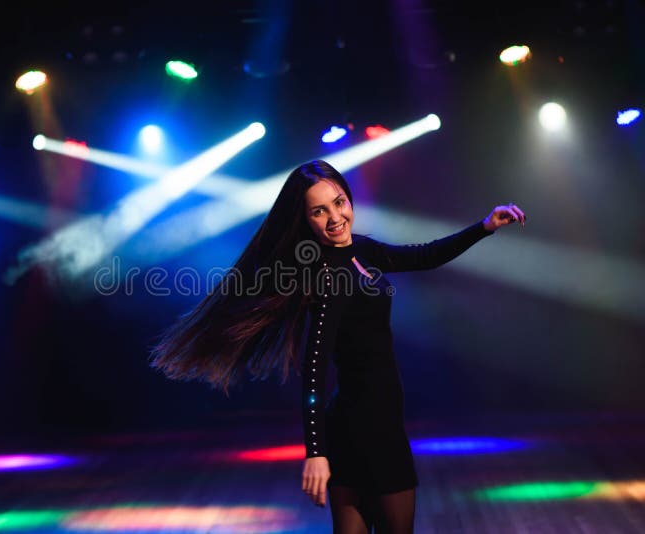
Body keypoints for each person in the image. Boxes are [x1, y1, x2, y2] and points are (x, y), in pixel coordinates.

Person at [147, 160, 526, 534]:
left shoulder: (361, 251)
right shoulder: (328, 278)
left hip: (365, 421)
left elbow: (425, 254)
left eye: (340, 202)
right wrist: (315, 453)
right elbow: (314, 368)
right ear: (305, 220)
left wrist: (484, 227)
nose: (335, 218)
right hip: (369, 427)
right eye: (319, 211)